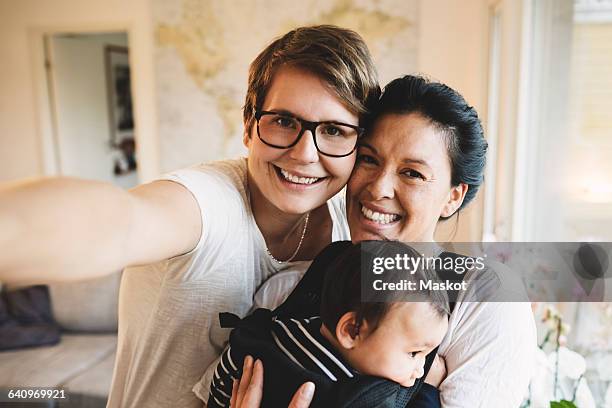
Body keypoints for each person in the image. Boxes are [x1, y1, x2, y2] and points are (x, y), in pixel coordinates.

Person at [0, 25, 380, 408]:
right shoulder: (207, 202)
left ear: (358, 145)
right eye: (283, 121)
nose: (304, 154)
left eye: (334, 130)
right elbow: (119, 223)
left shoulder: (349, 225)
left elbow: (422, 310)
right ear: (249, 126)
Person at [204, 75, 537, 408]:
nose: (378, 189)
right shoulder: (290, 286)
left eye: (412, 173)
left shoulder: (485, 300)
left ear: (453, 196)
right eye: (369, 159)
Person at [208, 241, 449, 407]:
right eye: (415, 353)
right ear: (352, 330)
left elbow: (219, 388)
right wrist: (427, 391)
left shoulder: (266, 333)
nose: (420, 369)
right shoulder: (360, 398)